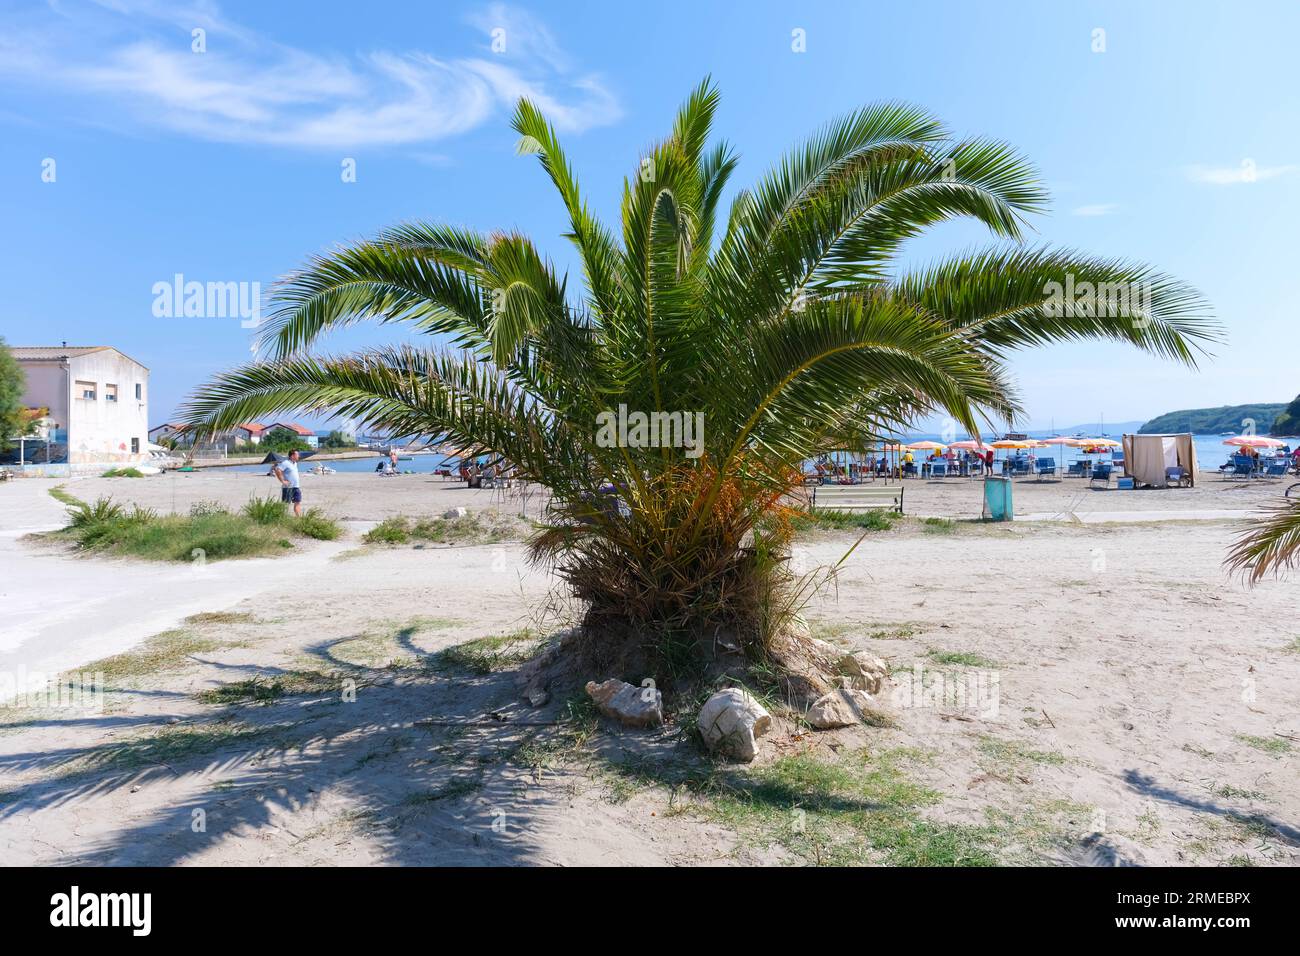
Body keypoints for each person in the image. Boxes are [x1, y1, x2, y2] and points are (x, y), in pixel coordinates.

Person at [272, 449, 303, 517]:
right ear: (292, 456)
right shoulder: (286, 463)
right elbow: (278, 470)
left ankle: (299, 518)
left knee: (297, 502)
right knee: (285, 504)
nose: (299, 456)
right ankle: (281, 518)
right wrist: (282, 481)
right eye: (297, 454)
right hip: (288, 487)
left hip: (296, 487)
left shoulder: (295, 463)